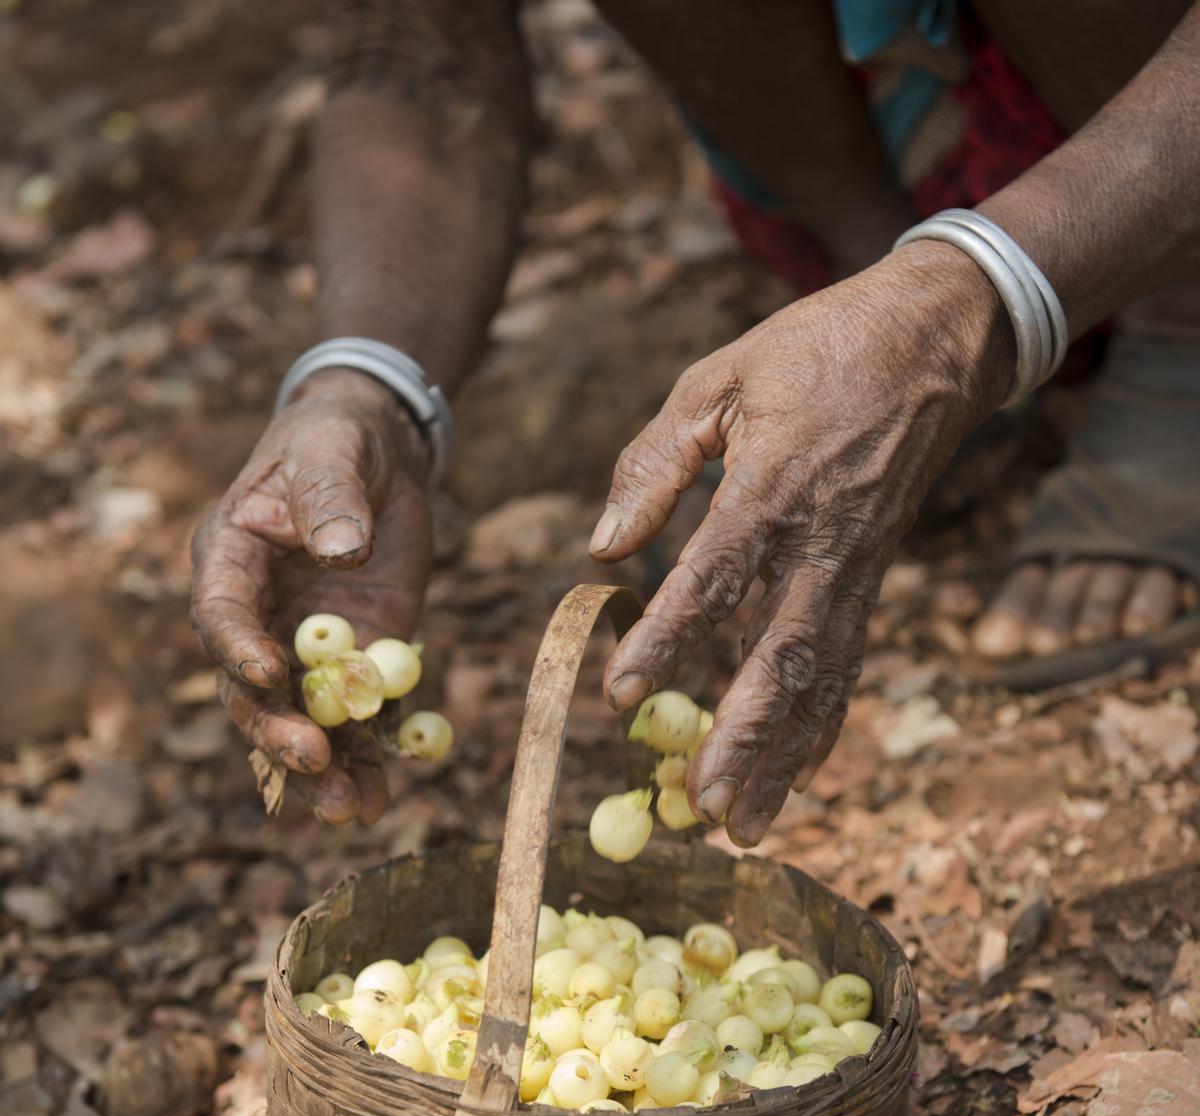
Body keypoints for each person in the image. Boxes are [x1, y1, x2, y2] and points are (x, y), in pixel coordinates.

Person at [189, 0, 1200, 845]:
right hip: (917, 137)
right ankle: (873, 278)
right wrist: (363, 383)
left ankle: (1179, 320)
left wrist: (955, 316)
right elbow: (419, 37)